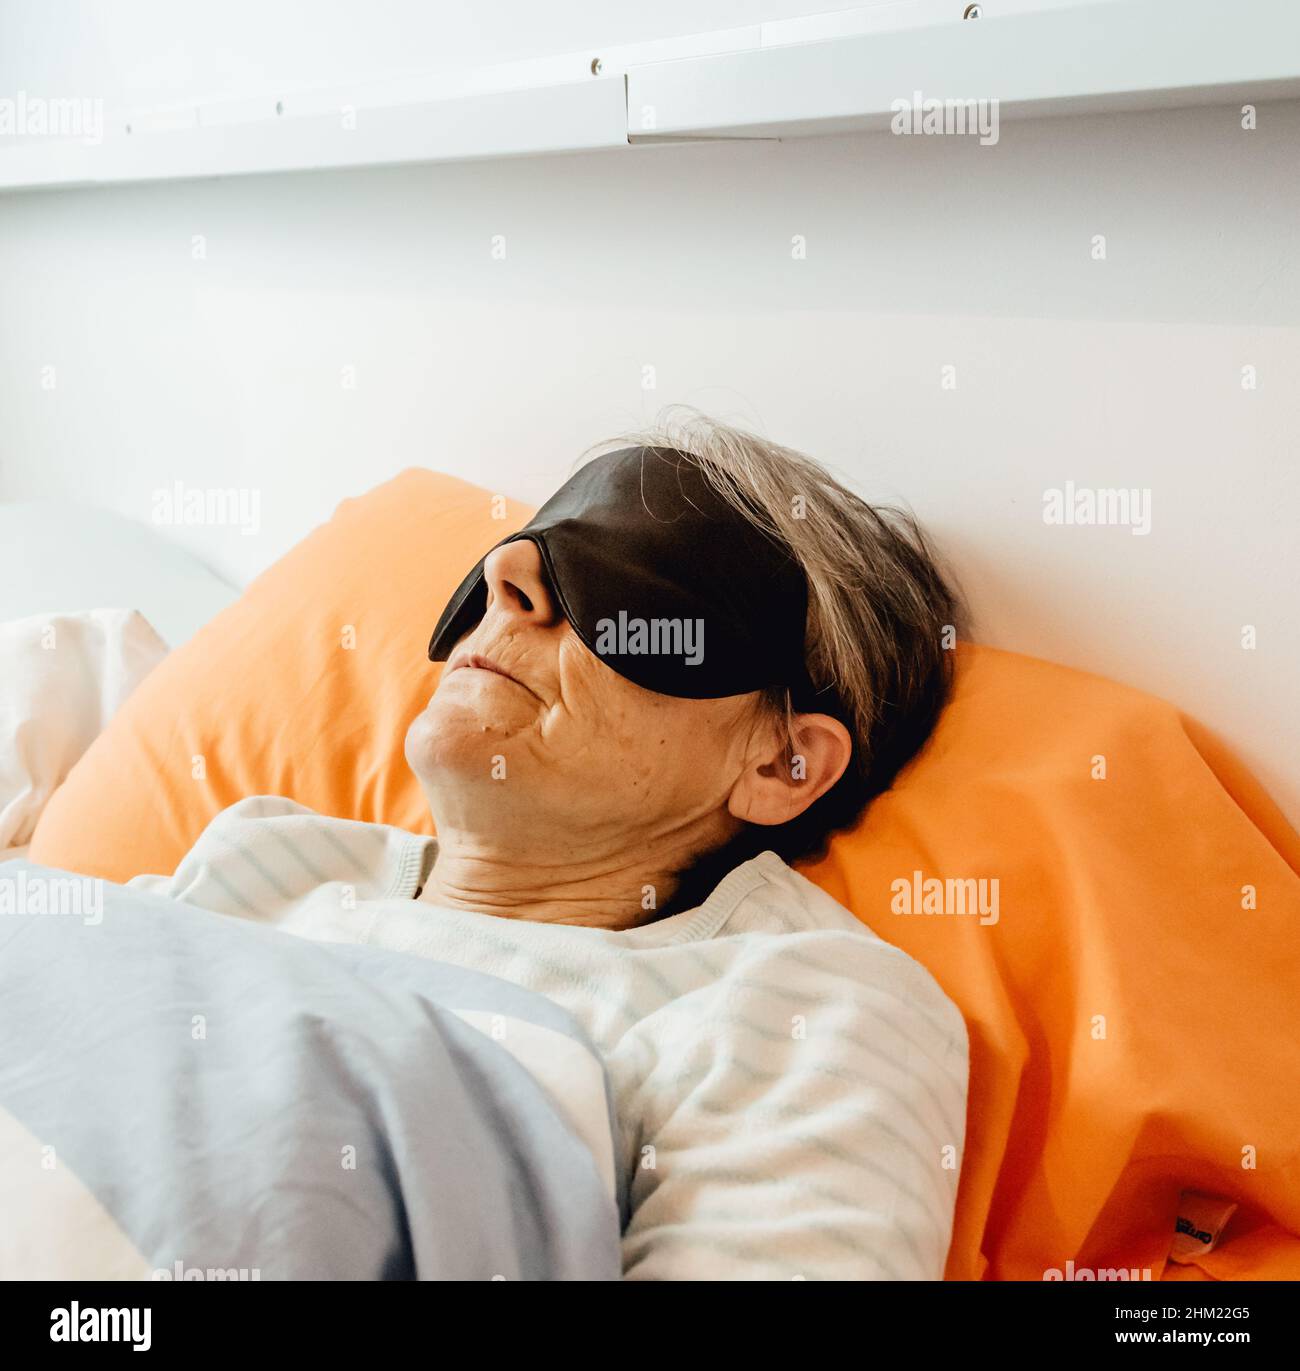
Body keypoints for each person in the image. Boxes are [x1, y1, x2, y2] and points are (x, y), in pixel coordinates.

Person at [133, 410, 971, 1280]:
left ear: (782, 762)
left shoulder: (805, 1007)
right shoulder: (264, 855)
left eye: (633, 579)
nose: (507, 572)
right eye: (535, 543)